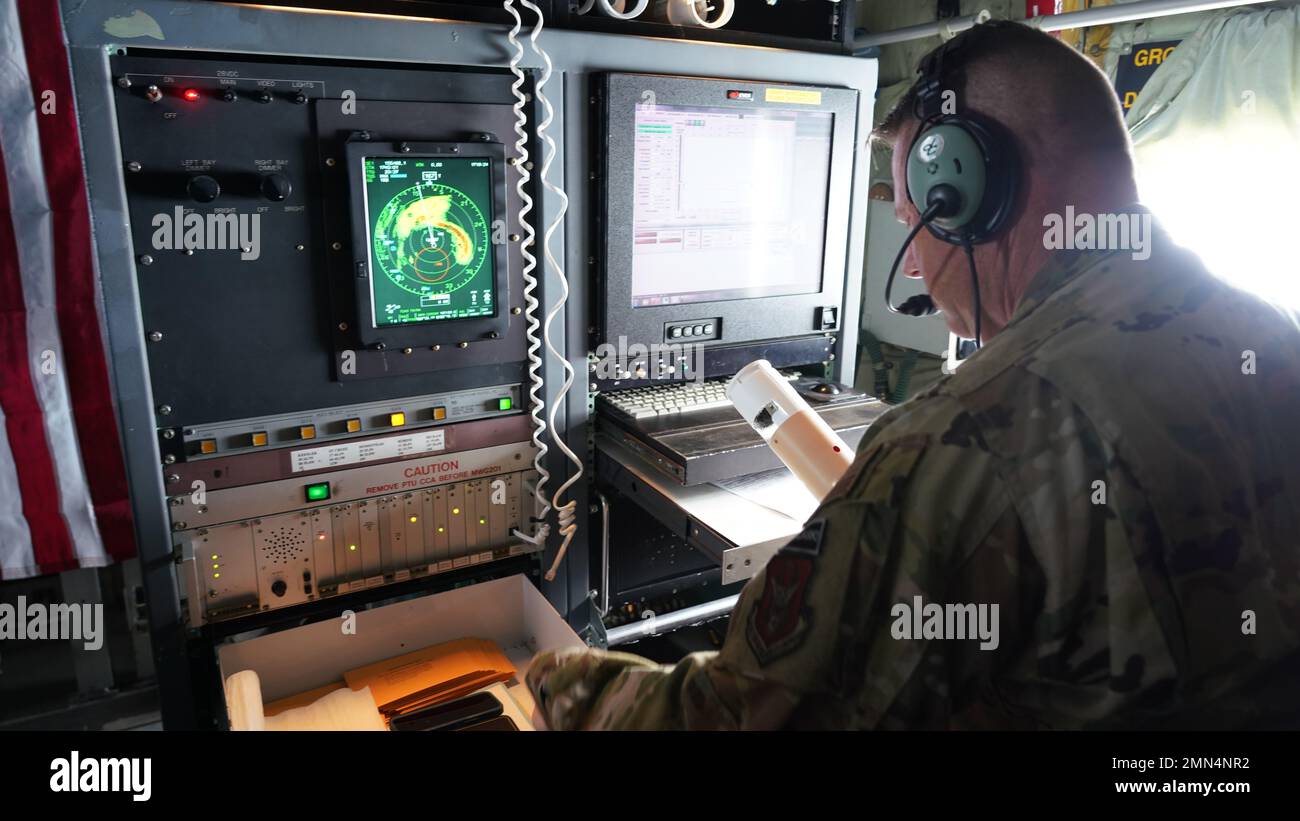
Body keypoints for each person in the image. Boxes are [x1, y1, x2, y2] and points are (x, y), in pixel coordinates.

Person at [525, 20, 1300, 730]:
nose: (920, 260)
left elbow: (740, 719)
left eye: (915, 217)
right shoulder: (1269, 336)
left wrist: (549, 673)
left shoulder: (965, 439)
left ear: (966, 194)